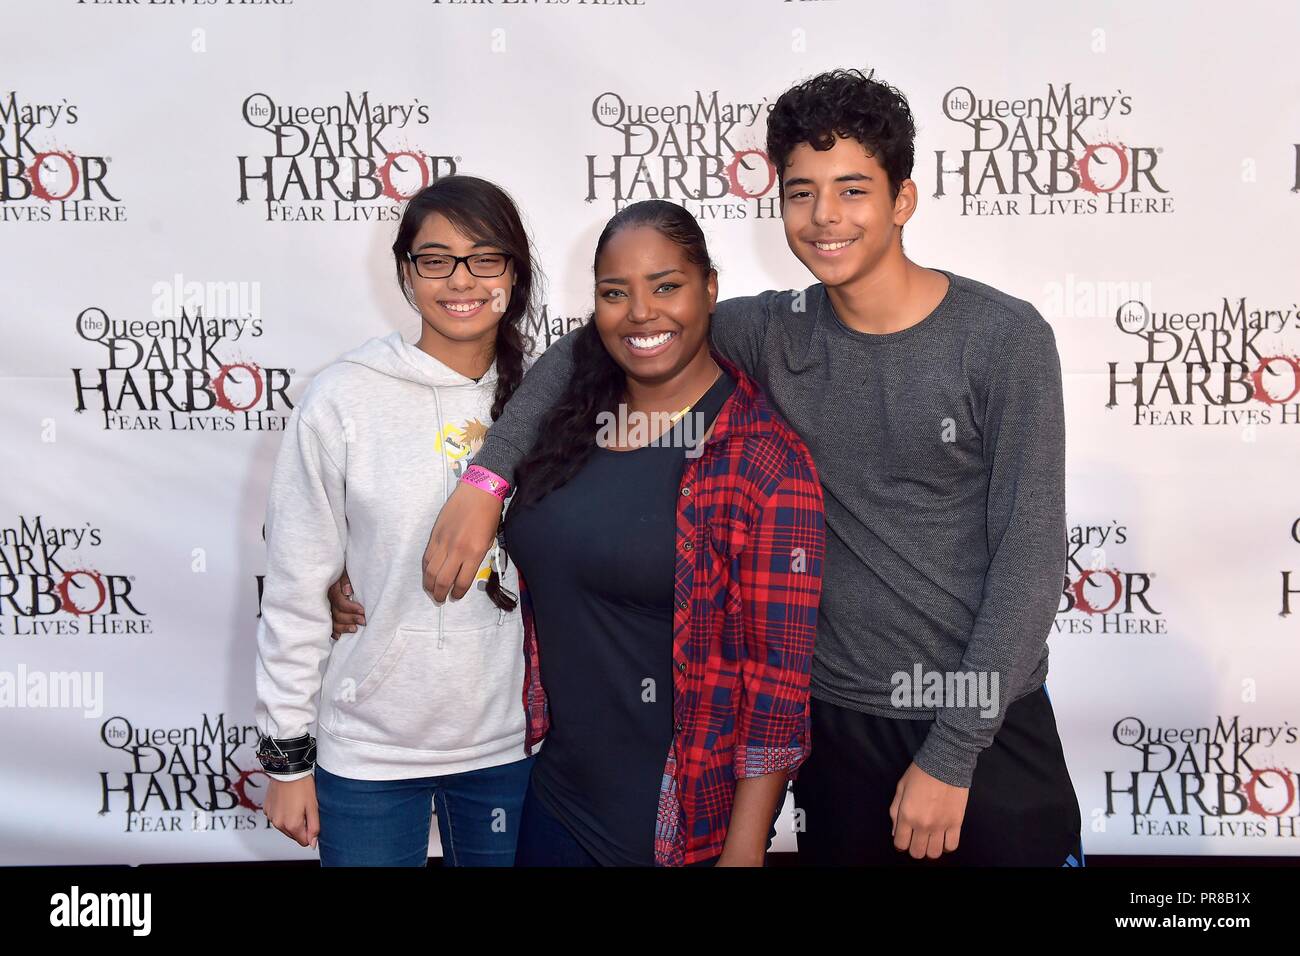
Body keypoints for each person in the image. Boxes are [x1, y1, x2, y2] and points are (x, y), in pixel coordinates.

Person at [345, 67, 1085, 867]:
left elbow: (1031, 557)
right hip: (833, 727)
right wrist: (484, 484)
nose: (824, 217)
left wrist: (952, 752)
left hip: (979, 724)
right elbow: (596, 343)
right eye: (801, 192)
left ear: (902, 201)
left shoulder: (1003, 340)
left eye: (852, 191)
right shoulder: (775, 330)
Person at [504, 200, 825, 866]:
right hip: (552, 804)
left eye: (666, 286)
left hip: (668, 834)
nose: (641, 312)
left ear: (710, 288)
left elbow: (778, 687)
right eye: (615, 293)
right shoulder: (569, 416)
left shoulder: (761, 460)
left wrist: (743, 850)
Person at [253, 175, 540, 866]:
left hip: (512, 744)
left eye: (484, 257)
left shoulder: (548, 398)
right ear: (406, 274)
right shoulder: (341, 398)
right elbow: (294, 588)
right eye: (435, 259)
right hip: (369, 749)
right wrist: (287, 759)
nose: (460, 280)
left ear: (514, 271)